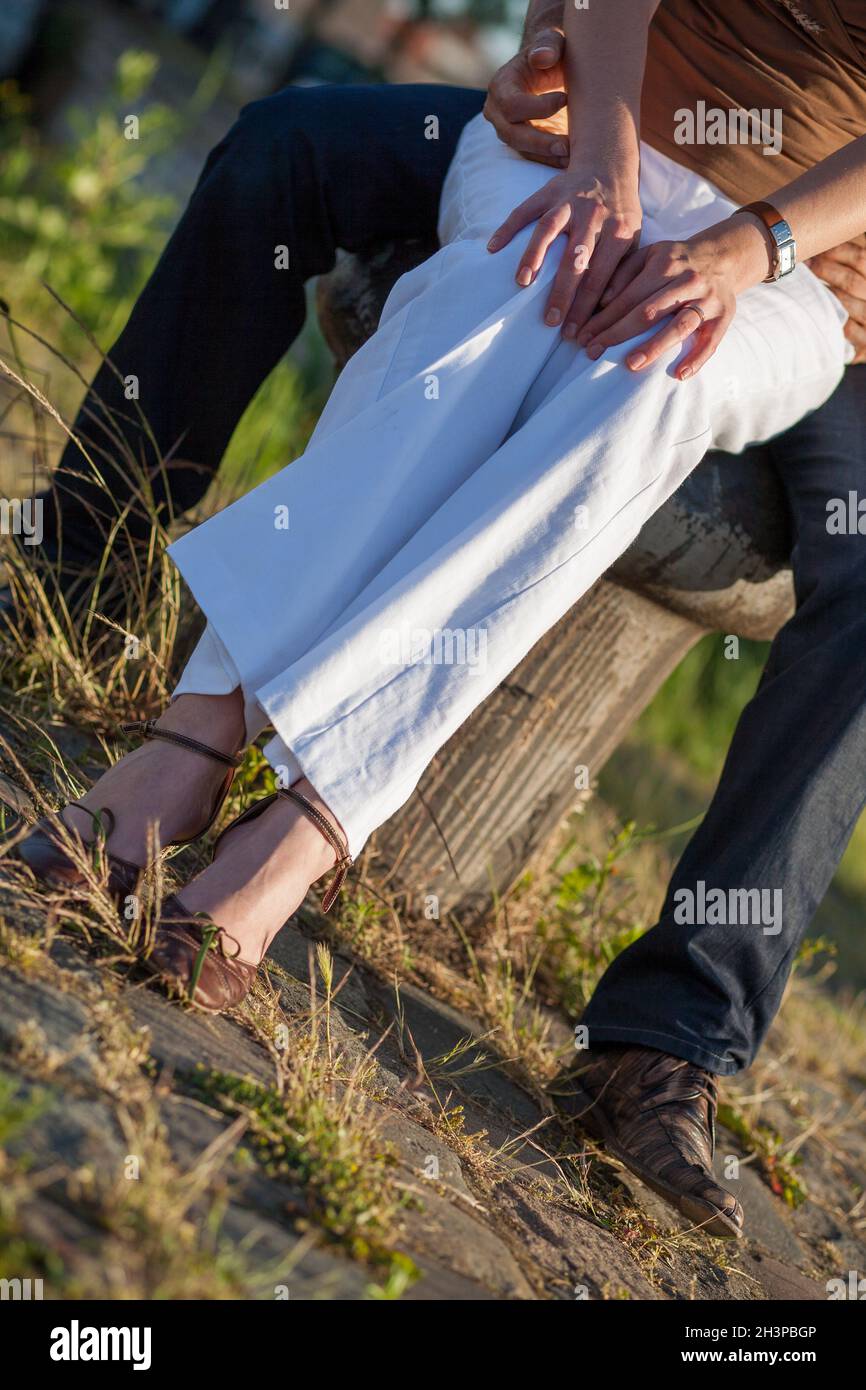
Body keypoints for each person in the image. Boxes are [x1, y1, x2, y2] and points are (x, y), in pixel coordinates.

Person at [16, 1, 866, 1239]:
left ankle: (662, 1035)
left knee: (659, 383)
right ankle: (90, 599)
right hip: (602, 136)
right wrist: (585, 131)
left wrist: (752, 246)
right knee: (313, 162)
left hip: (812, 260)